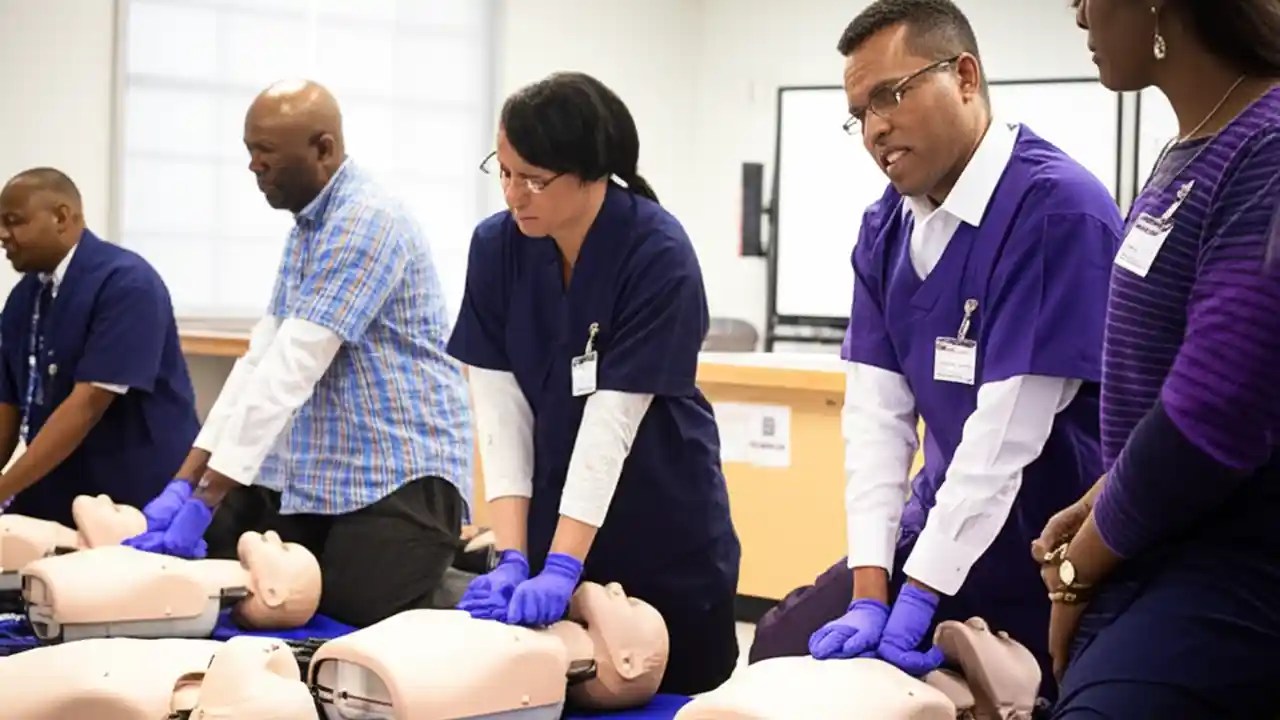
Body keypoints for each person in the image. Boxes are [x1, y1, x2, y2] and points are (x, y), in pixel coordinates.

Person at [747, 0, 1123, 700]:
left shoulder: (1056, 209)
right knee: (780, 652)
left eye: (891, 94)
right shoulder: (884, 228)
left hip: (1049, 547)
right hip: (939, 524)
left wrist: (917, 597)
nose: (875, 128)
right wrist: (870, 588)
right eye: (859, 113)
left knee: (987, 689)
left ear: (966, 77)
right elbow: (875, 421)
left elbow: (1005, 437)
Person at [123, 79, 475, 629]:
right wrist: (183, 484)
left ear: (324, 149)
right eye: (248, 151)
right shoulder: (307, 229)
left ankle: (471, 577)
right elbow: (258, 364)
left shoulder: (366, 220)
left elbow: (292, 370)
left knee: (352, 606)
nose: (253, 167)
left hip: (400, 473)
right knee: (236, 569)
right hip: (324, 473)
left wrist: (205, 497)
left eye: (265, 151)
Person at [446, 71, 741, 696]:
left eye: (534, 179)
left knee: (665, 685)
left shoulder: (656, 252)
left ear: (592, 171)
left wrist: (562, 564)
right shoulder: (497, 247)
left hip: (660, 513)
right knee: (559, 685)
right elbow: (501, 415)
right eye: (502, 171)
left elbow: (613, 421)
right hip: (557, 507)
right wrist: (513, 554)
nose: (513, 194)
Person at [1034, 2, 1280, 717]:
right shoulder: (1194, 148)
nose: (1076, 10)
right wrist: (1100, 497)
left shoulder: (1267, 149)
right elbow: (1169, 382)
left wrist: (1081, 569)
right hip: (1162, 541)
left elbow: (1216, 417)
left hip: (1233, 567)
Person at [0, 168, 199, 528]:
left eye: (13, 222)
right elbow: (7, 405)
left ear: (61, 217)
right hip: (59, 490)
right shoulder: (24, 298)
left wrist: (3, 488)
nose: (2, 235)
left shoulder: (126, 283)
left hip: (134, 497)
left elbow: (87, 405)